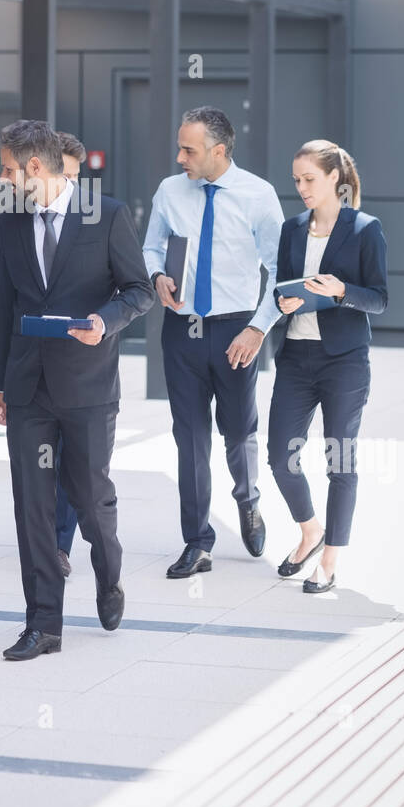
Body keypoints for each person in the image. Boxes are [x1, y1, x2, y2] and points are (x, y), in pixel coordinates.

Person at [0, 119, 154, 659]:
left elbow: (138, 291)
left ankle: (109, 574)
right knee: (32, 505)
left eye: (8, 169)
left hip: (87, 387)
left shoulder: (106, 215)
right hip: (28, 388)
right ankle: (44, 624)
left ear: (35, 167)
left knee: (88, 496)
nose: (3, 177)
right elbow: (8, 308)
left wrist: (105, 321)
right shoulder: (11, 220)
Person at [142, 107, 284, 577]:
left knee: (238, 431)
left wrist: (257, 329)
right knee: (190, 438)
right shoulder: (169, 190)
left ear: (219, 151)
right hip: (182, 330)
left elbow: (281, 273)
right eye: (180, 147)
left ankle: (247, 500)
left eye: (189, 150)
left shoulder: (258, 196)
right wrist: (157, 274)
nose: (180, 157)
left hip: (236, 330)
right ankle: (198, 541)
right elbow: (151, 247)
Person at [268, 140, 387, 592]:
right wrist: (286, 300)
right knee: (281, 456)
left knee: (340, 460)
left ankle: (330, 558)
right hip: (297, 358)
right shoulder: (293, 229)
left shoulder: (365, 229)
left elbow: (379, 299)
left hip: (344, 362)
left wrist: (341, 291)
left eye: (308, 179)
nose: (300, 188)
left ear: (335, 178)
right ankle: (310, 530)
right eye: (296, 180)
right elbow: (280, 291)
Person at [0, 130, 87, 576]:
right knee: (36, 468)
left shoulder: (95, 221)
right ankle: (48, 550)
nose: (69, 188)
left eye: (75, 178)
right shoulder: (10, 221)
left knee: (74, 468)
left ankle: (62, 542)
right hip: (28, 367)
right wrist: (31, 306)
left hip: (79, 370)